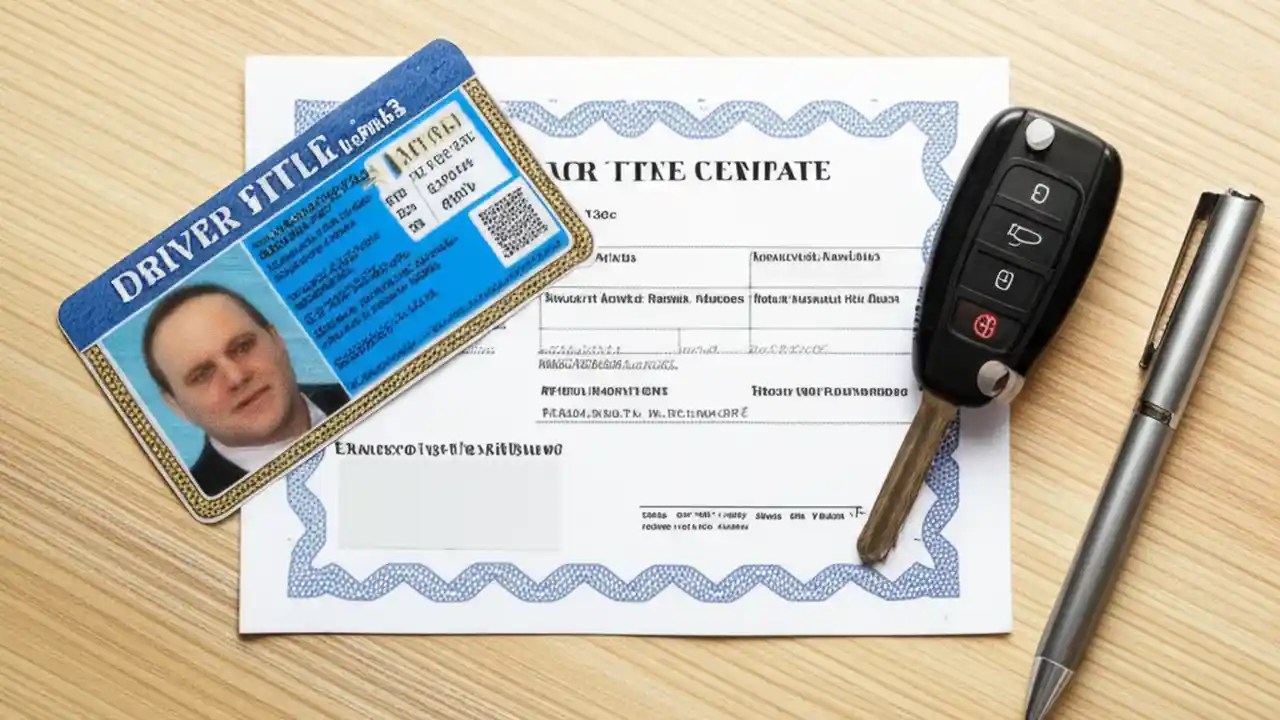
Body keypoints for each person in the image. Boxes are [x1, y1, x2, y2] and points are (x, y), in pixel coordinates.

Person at [141, 283, 349, 497]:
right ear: (176, 405)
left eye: (242, 347)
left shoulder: (370, 389)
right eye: (202, 374)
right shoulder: (198, 507)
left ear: (276, 340)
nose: (236, 377)